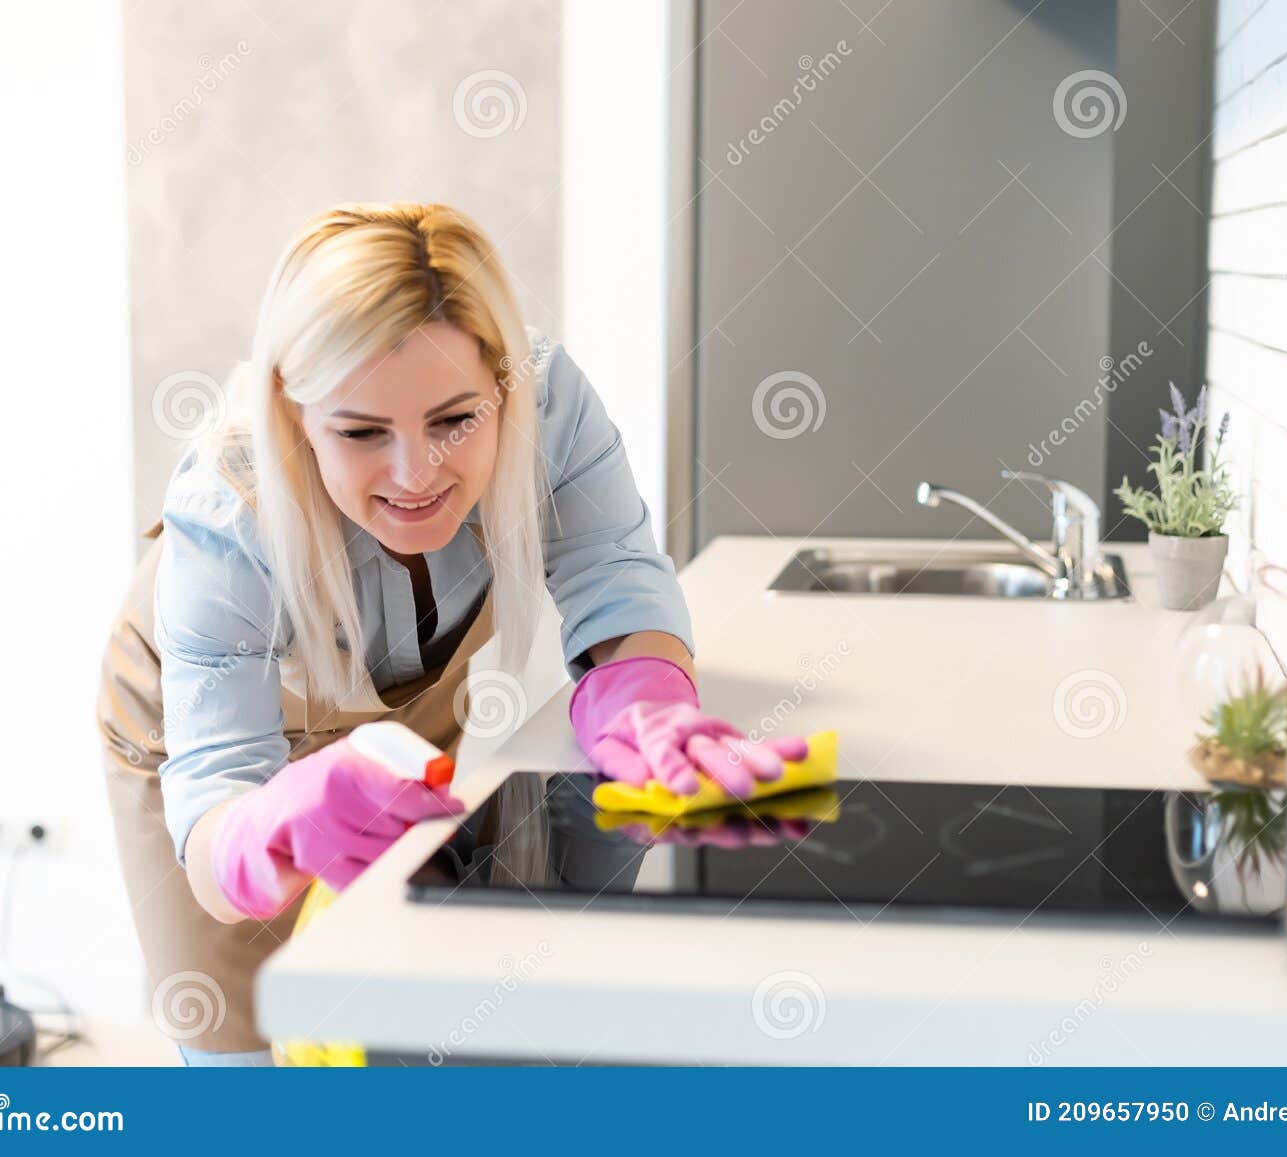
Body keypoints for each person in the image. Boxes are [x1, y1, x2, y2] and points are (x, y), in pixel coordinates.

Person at [96, 202, 806, 1065]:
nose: (415, 475)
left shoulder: (545, 403)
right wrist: (269, 824)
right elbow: (214, 824)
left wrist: (644, 701)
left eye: (455, 421)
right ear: (293, 413)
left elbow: (608, 569)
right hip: (196, 728)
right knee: (246, 1058)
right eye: (360, 432)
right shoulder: (228, 509)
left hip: (410, 694)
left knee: (419, 1017)